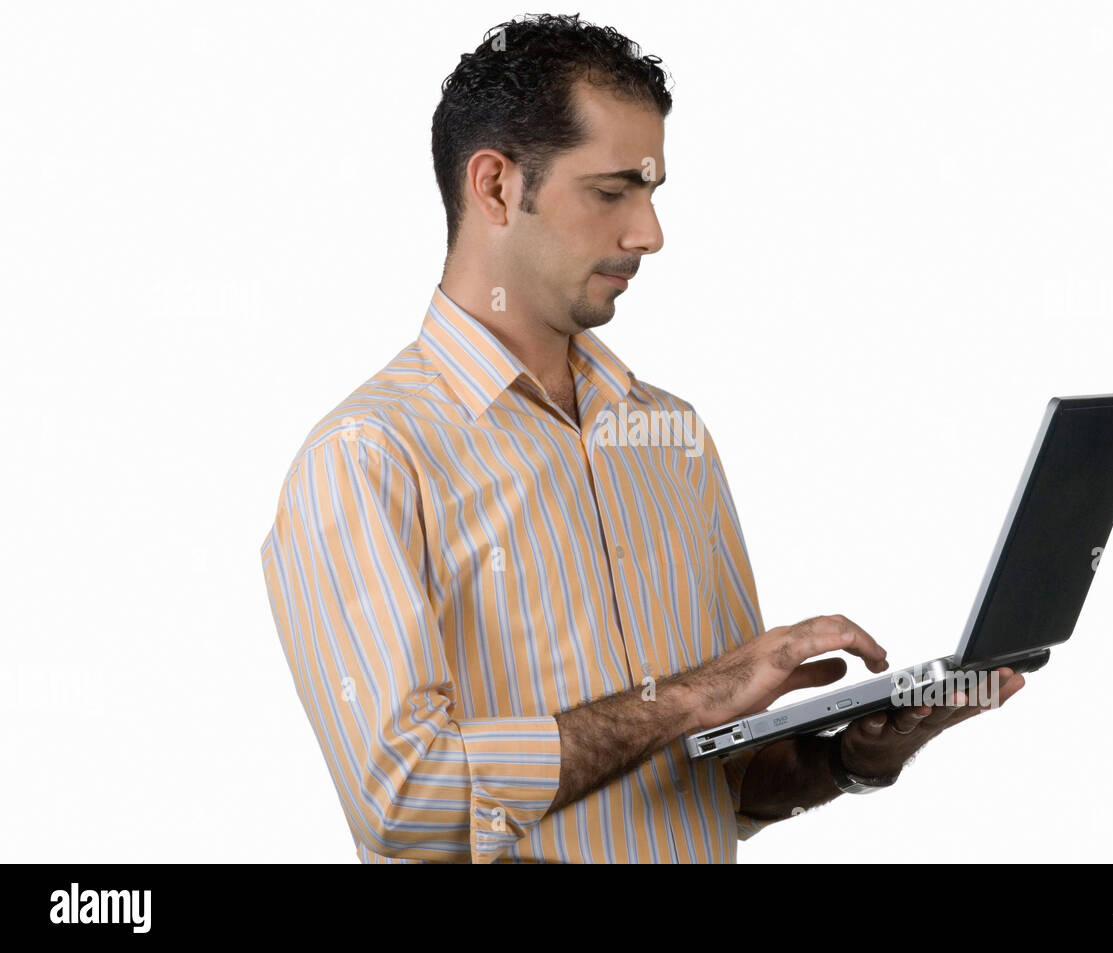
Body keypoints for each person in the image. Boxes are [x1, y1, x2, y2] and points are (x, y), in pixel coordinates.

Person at [259, 12, 1025, 864]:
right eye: (612, 192)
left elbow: (720, 781)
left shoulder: (670, 436)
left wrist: (854, 755)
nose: (648, 234)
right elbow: (406, 802)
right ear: (496, 187)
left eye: (653, 193)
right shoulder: (365, 458)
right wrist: (691, 697)